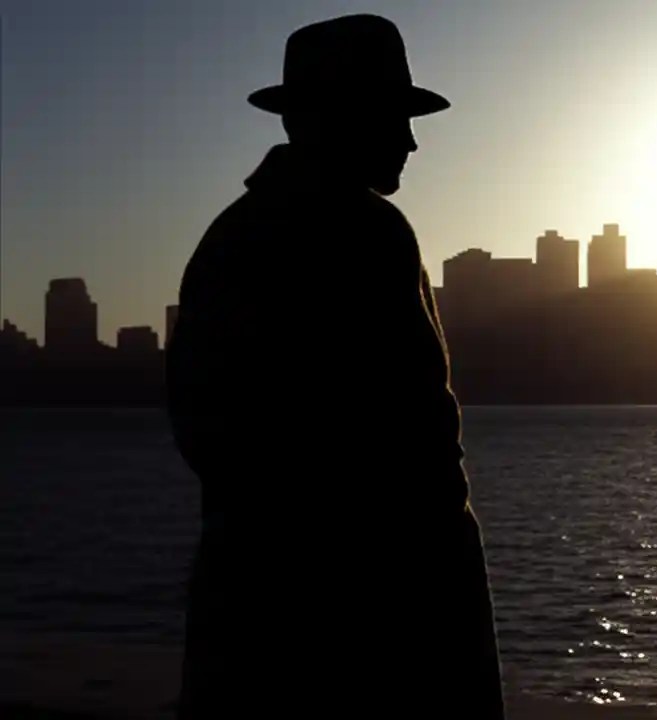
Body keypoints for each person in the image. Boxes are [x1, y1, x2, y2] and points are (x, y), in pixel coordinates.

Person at [164, 14, 505, 718]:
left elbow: (205, 431)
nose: (410, 140)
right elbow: (421, 454)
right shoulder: (370, 235)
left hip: (249, 615)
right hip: (378, 628)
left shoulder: (227, 239)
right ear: (341, 119)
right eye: (393, 117)